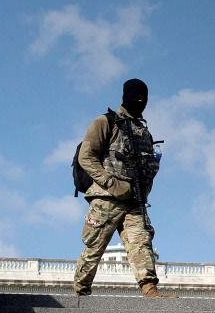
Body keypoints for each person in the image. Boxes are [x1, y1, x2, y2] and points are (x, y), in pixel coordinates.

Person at [73, 78, 174, 298]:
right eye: (136, 97)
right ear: (125, 96)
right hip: (106, 197)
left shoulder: (143, 132)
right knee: (94, 246)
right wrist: (111, 183)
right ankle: (80, 291)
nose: (141, 102)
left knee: (142, 243)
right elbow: (86, 156)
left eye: (144, 98)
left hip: (134, 200)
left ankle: (150, 290)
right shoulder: (105, 122)